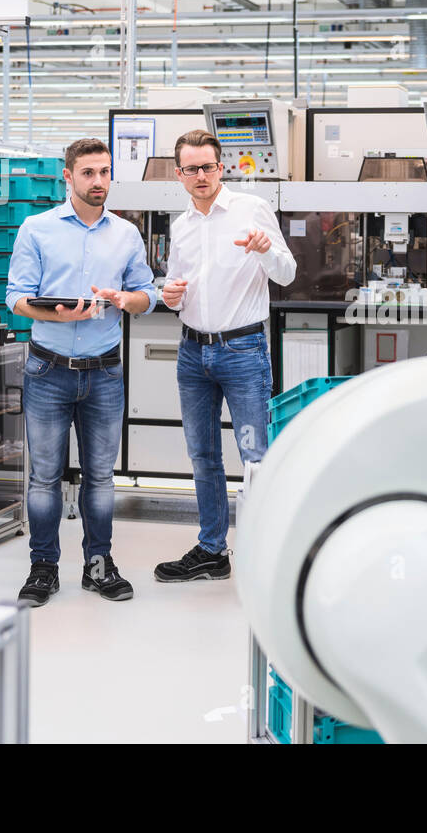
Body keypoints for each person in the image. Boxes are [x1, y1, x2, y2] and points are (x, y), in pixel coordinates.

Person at [6, 138, 158, 606]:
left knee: (101, 477)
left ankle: (98, 565)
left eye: (105, 172)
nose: (99, 182)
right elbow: (16, 297)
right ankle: (43, 567)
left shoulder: (126, 234)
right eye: (89, 173)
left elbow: (146, 295)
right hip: (47, 369)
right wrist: (57, 315)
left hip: (104, 374)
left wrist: (123, 300)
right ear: (68, 176)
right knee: (45, 478)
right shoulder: (37, 229)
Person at [154, 129, 296, 582]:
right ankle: (213, 549)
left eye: (208, 166)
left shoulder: (251, 209)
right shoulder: (180, 226)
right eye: (191, 168)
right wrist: (169, 295)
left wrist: (266, 249)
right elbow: (176, 289)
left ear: (221, 167)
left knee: (256, 455)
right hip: (193, 353)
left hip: (243, 351)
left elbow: (287, 273)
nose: (201, 175)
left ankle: (270, 550)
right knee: (202, 456)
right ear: (179, 174)